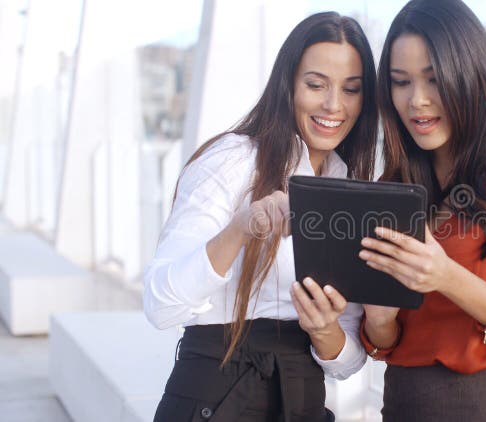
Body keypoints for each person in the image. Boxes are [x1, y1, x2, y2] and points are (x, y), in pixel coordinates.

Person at [143, 12, 378, 422]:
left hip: (300, 401)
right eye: (316, 84)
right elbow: (161, 304)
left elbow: (347, 364)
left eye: (350, 89)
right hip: (217, 398)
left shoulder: (348, 188)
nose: (333, 104)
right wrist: (241, 228)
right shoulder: (233, 160)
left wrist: (324, 330)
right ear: (288, 84)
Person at [357, 1, 486, 421]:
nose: (417, 100)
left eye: (434, 79)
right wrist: (379, 322)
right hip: (402, 405)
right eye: (401, 82)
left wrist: (446, 277)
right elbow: (386, 344)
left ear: (471, 73)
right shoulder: (392, 187)